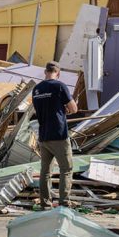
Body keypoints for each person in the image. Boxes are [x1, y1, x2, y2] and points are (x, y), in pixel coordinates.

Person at [31, 61, 78, 208]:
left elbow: (41, 109)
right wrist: (66, 108)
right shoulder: (59, 86)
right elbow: (74, 109)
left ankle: (45, 203)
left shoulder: (37, 89)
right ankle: (64, 203)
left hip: (44, 135)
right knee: (66, 169)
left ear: (45, 72)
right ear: (58, 73)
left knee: (45, 172)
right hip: (59, 134)